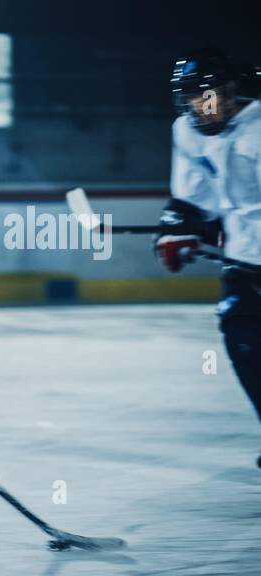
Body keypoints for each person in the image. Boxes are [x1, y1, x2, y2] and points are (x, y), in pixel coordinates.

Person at [156, 47, 261, 468]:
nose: (201, 106)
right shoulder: (187, 131)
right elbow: (193, 197)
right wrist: (178, 229)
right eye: (192, 97)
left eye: (209, 94)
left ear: (233, 90)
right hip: (244, 262)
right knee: (243, 338)